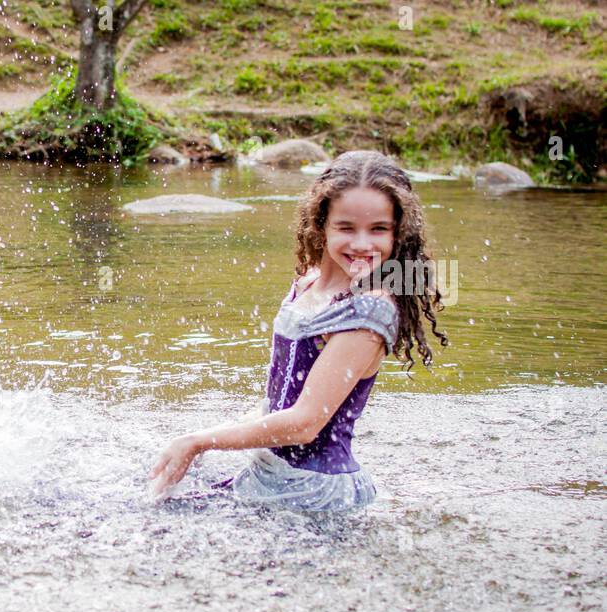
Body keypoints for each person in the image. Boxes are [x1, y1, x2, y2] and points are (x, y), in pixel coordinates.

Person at [149, 150, 450, 511]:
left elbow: (305, 424)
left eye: (379, 229)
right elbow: (279, 402)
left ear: (398, 232)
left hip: (315, 493)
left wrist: (199, 441)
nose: (361, 244)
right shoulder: (308, 281)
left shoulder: (368, 312)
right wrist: (212, 437)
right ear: (321, 223)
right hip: (270, 475)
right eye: (346, 227)